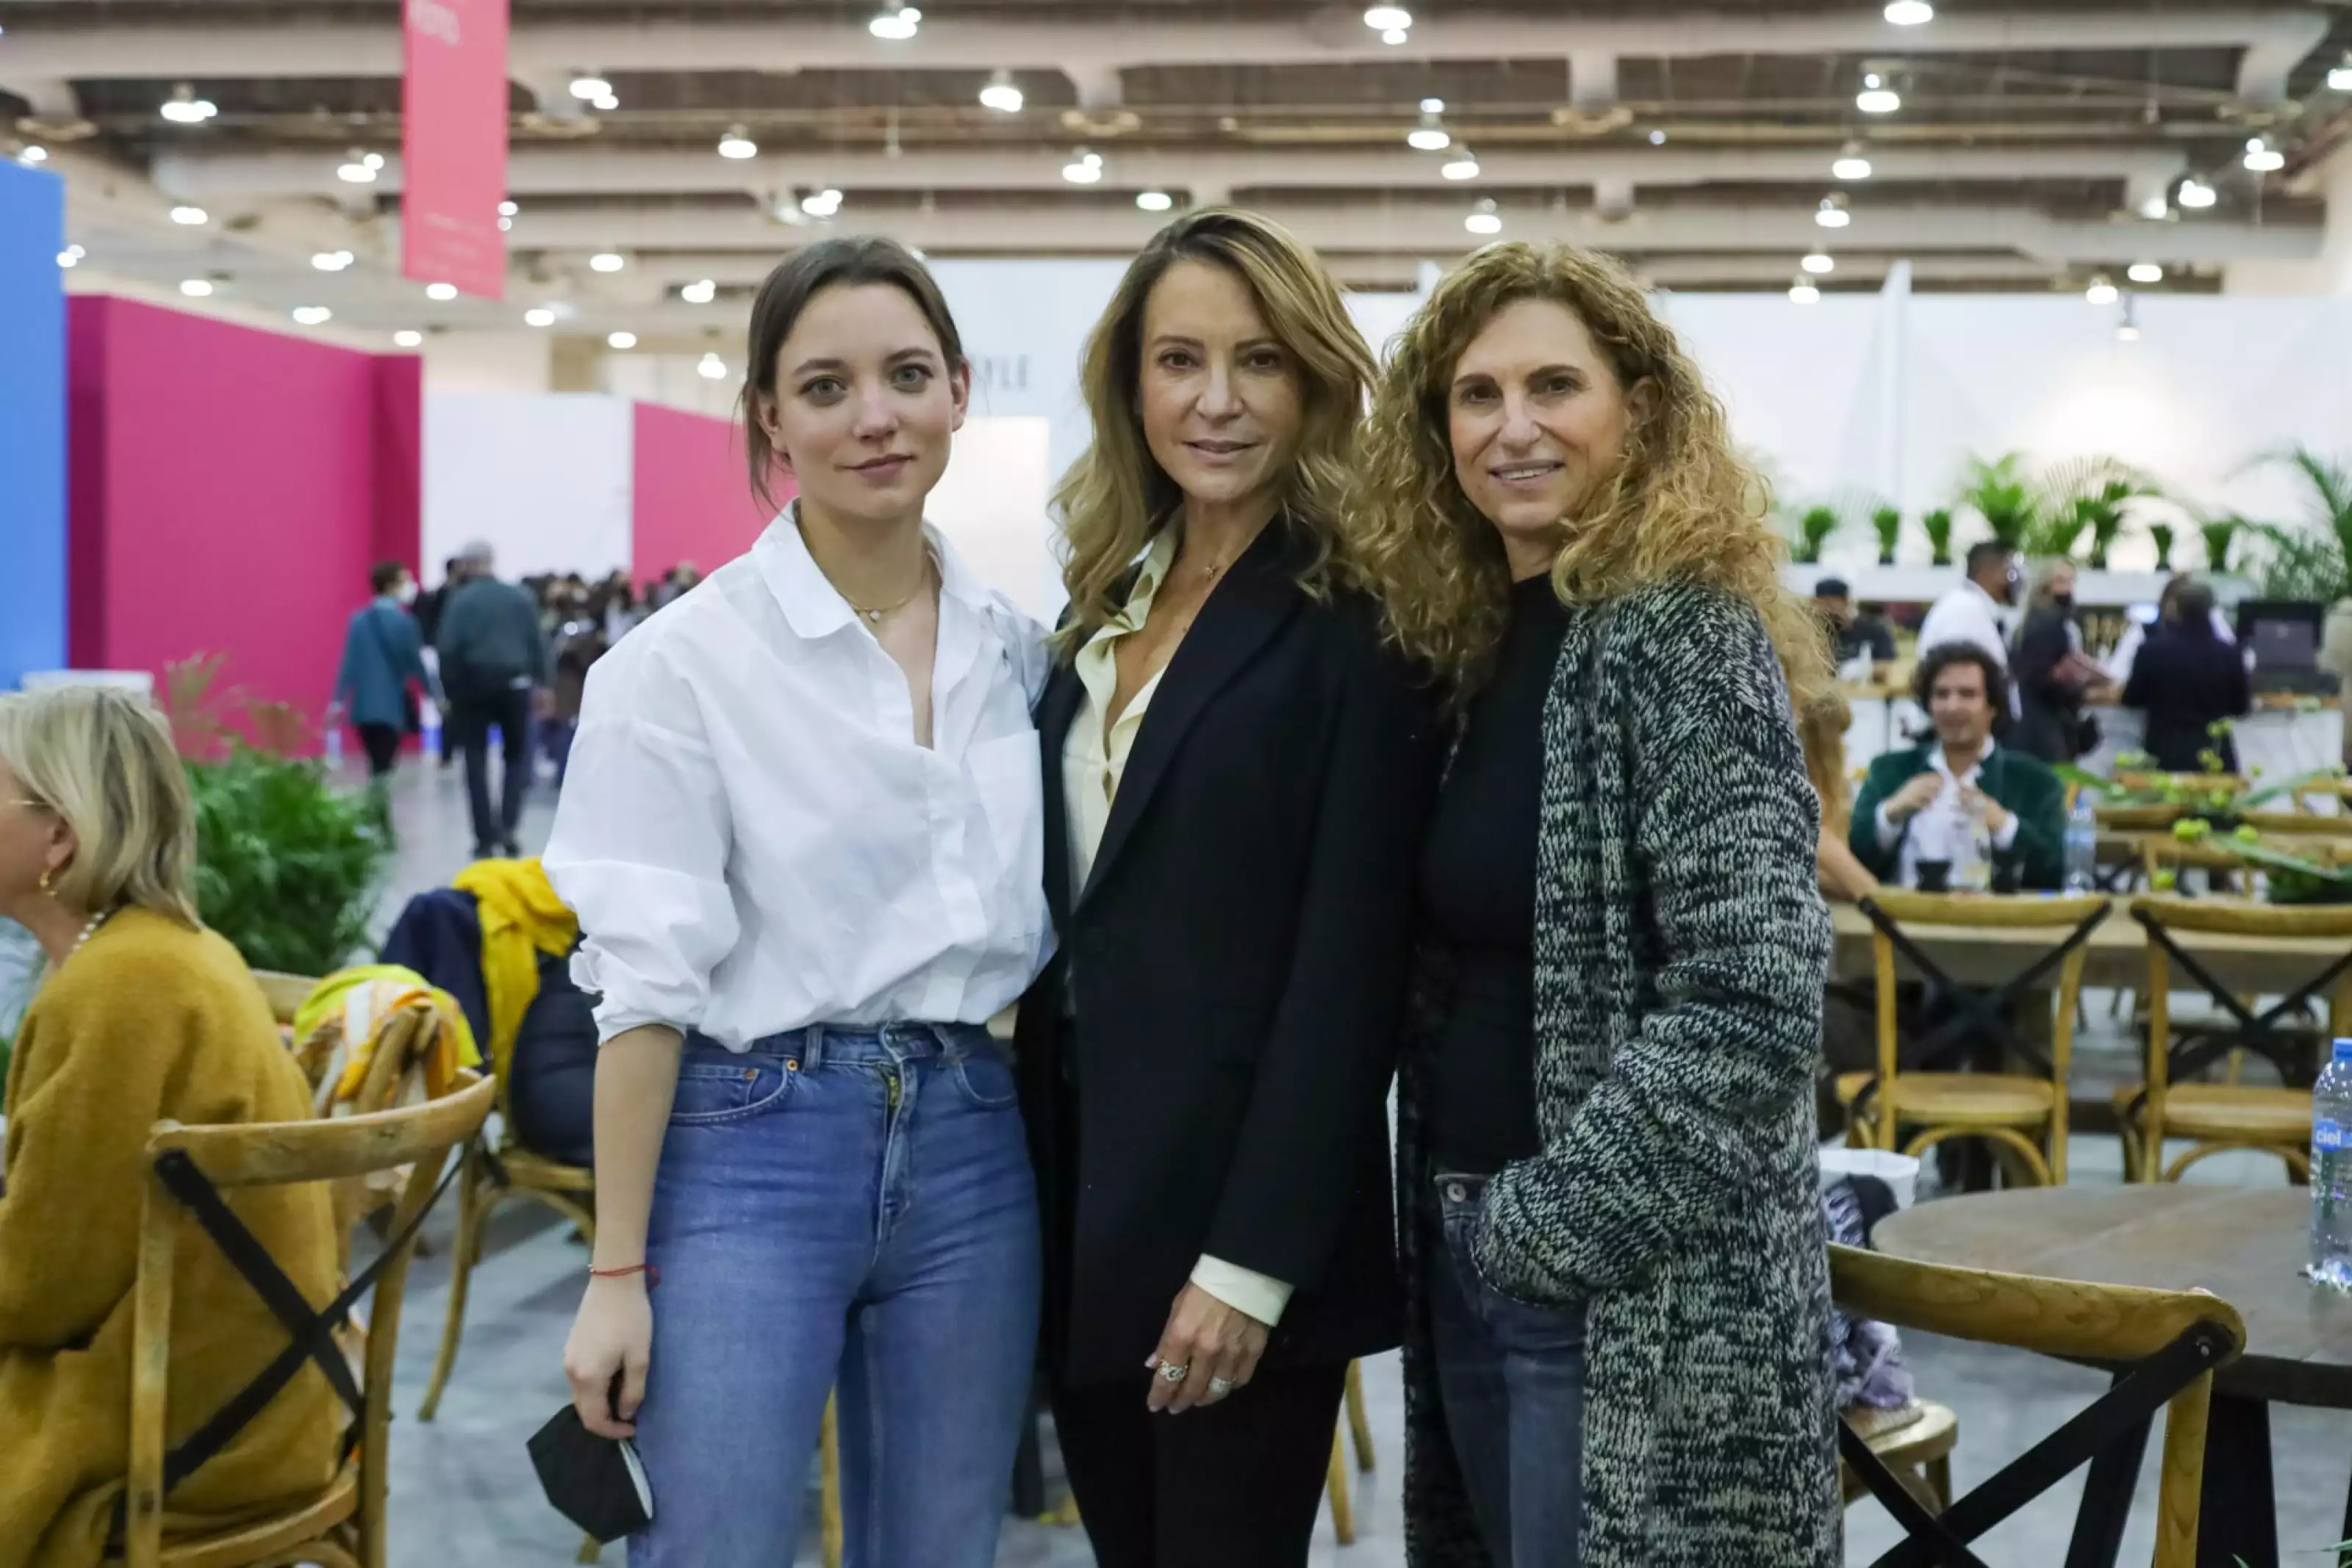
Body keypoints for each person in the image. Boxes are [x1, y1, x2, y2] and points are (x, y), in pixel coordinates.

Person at [545, 236, 1051, 1568]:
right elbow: (641, 988)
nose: (872, 416)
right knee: (713, 1542)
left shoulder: (1020, 648)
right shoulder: (679, 668)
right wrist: (611, 1274)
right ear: (769, 417)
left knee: (943, 1543)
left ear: (957, 390)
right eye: (825, 387)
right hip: (750, 1136)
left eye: (904, 375)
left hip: (973, 1137)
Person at [1353, 240, 1838, 1567]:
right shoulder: (1476, 640)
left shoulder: (1680, 633)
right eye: (1476, 394)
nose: (1512, 427)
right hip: (1475, 1242)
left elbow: (1757, 992)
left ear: (1638, 408)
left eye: (1554, 385)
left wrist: (1547, 1224)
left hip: (1626, 1286)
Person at [1014, 209, 1436, 1568]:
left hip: (1235, 1223)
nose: (1214, 399)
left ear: (1312, 380)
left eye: (1256, 360)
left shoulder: (1359, 623)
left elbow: (1349, 974)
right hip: (1078, 1192)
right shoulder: (1104, 605)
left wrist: (1252, 1260)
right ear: (1129, 384)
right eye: (1177, 359)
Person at [0, 686, 340, 1568]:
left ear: (59, 836)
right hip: (259, 1399)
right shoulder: (169, 950)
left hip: (184, 1438)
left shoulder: (116, 989)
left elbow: (36, 1291)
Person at [1851, 641, 2065, 892]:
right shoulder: (1889, 770)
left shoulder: (2036, 781)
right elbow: (1855, 856)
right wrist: (1890, 814)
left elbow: (2055, 871)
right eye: (1941, 694)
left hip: (2002, 924)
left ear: (1993, 706)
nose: (1953, 707)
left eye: (1968, 694)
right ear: (1928, 704)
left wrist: (2004, 826)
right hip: (1902, 919)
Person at [435, 541, 548, 860]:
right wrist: (543, 684)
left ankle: (484, 837)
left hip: (472, 687)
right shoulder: (520, 597)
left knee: (475, 759)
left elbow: (447, 647)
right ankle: (509, 827)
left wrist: (449, 690)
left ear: (467, 564)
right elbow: (537, 642)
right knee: (516, 757)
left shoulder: (461, 600)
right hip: (515, 685)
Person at [330, 560, 440, 788]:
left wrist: (337, 702)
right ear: (391, 586)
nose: (410, 586)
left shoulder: (358, 621)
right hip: (391, 707)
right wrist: (435, 695)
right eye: (405, 581)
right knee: (384, 767)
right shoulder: (405, 622)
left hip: (362, 708)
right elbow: (416, 664)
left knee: (376, 765)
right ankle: (378, 817)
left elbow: (348, 664)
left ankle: (377, 816)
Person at [2124, 579, 2251, 774]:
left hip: (2163, 752)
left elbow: (2132, 699)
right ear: (2211, 609)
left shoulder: (2150, 650)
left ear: (2177, 609)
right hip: (2215, 754)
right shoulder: (2230, 654)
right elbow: (2241, 707)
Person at [2009, 560, 2098, 765]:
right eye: (2060, 581)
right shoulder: (2050, 623)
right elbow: (2043, 677)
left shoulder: (2030, 621)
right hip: (2047, 727)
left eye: (2070, 581)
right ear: (2044, 584)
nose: (2068, 588)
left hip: (2030, 723)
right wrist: (2081, 690)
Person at [1918, 541, 2018, 672]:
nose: (2010, 580)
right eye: (2007, 571)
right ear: (1987, 572)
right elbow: (1957, 675)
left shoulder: (1973, 606)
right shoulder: (1963, 610)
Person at [1814, 576, 1893, 664]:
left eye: (1830, 604)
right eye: (1821, 604)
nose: (1826, 609)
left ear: (1846, 601)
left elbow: (1885, 665)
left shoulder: (1874, 630)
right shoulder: (1816, 634)